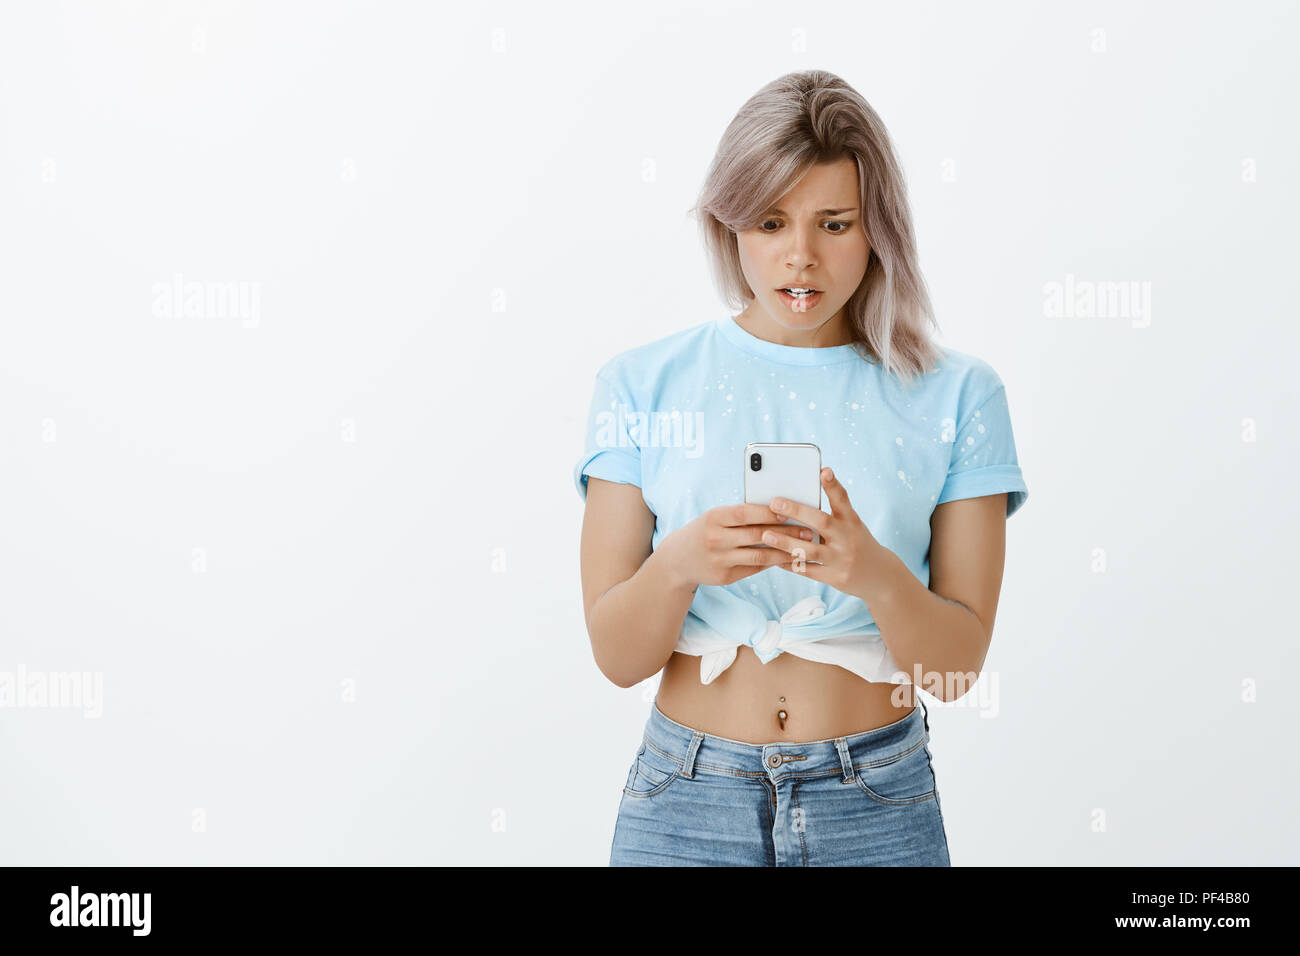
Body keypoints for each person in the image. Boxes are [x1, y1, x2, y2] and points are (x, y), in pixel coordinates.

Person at [574, 69, 1029, 866]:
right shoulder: (640, 384)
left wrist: (873, 573)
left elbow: (954, 673)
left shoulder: (960, 395)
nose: (800, 258)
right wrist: (682, 562)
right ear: (731, 225)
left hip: (875, 802)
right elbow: (617, 657)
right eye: (772, 221)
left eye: (835, 223)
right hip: (685, 800)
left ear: (878, 227)